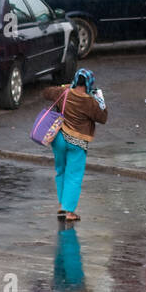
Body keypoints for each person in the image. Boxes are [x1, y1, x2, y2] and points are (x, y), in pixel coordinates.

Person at [42, 67, 107, 223]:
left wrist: (64, 87)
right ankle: (68, 211)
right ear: (89, 83)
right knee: (74, 176)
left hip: (58, 139)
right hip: (77, 142)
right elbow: (103, 117)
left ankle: (61, 205)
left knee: (61, 171)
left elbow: (46, 92)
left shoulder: (63, 93)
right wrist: (100, 98)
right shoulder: (90, 101)